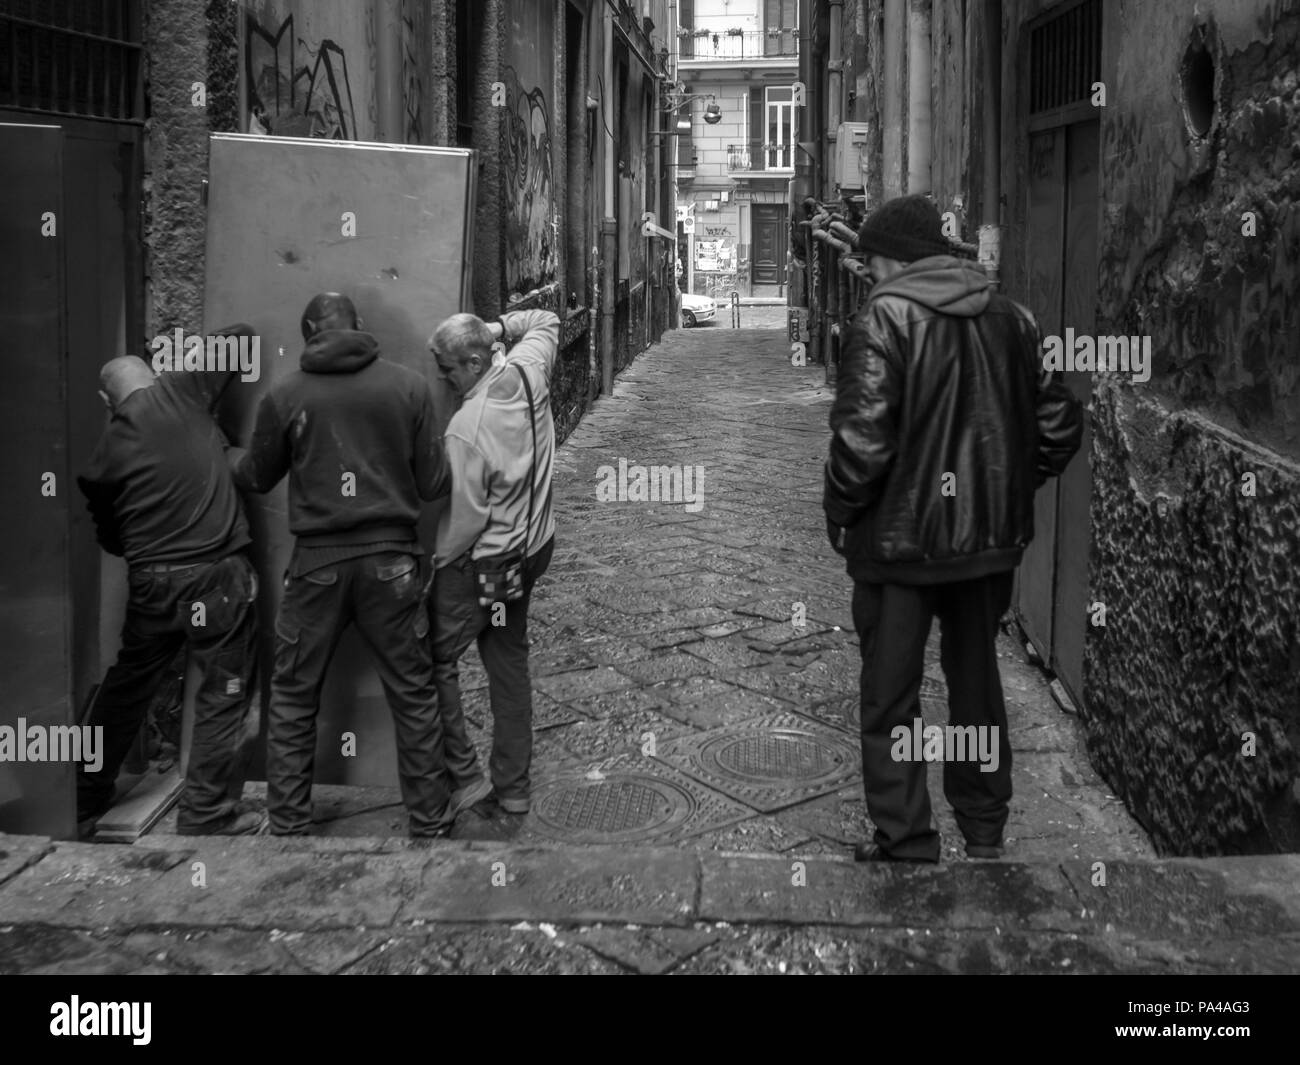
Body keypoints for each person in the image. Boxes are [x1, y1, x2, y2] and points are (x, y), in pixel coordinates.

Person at [823, 195, 1082, 863]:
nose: (869, 274)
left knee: (890, 694)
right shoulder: (1013, 317)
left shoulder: (884, 317)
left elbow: (860, 442)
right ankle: (984, 829)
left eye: (873, 261)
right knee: (976, 685)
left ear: (897, 260)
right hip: (985, 550)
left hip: (898, 547)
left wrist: (841, 512)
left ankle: (907, 838)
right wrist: (1003, 490)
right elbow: (1060, 425)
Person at [230, 293, 459, 839]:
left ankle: (288, 823)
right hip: (393, 566)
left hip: (316, 567)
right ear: (360, 326)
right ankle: (428, 821)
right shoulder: (407, 387)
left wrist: (226, 459)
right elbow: (434, 484)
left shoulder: (286, 393)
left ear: (309, 332)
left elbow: (257, 475)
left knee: (292, 696)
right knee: (413, 691)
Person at [76, 326, 264, 838]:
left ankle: (84, 796)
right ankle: (206, 813)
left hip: (153, 584)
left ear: (105, 401)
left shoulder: (100, 461)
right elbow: (242, 335)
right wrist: (182, 355)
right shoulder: (183, 388)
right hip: (215, 575)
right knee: (224, 690)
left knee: (128, 686)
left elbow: (113, 537)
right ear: (154, 376)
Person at [427, 309, 558, 838]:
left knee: (431, 658)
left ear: (475, 361)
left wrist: (434, 564)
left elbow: (465, 521)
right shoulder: (529, 370)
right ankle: (515, 787)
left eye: (447, 368)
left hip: (488, 565)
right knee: (507, 663)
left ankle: (463, 777)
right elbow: (546, 319)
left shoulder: (466, 427)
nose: (442, 379)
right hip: (536, 548)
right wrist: (498, 327)